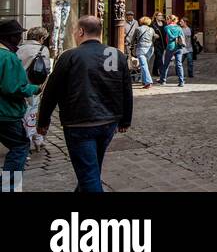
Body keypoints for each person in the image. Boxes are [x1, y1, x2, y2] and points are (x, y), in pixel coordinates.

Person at [36, 15, 132, 192]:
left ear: (81, 31)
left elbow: (51, 92)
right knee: (91, 169)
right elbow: (126, 89)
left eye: (75, 31)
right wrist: (125, 119)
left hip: (80, 122)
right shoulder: (116, 54)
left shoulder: (70, 56)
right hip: (108, 121)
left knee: (88, 174)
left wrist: (43, 121)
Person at [0, 19, 40, 177]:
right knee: (20, 146)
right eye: (18, 35)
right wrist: (35, 88)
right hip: (5, 113)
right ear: (9, 37)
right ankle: (10, 186)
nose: (20, 39)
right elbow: (13, 87)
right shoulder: (7, 57)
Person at [18, 27, 51, 153]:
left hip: (20, 85)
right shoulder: (43, 49)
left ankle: (36, 138)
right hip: (34, 86)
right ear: (41, 38)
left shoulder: (19, 48)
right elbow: (46, 70)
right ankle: (31, 141)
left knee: (22, 113)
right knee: (32, 113)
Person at [160, 14, 186, 87]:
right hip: (179, 47)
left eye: (167, 19)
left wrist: (174, 37)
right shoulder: (179, 28)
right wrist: (177, 36)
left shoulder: (167, 27)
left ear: (170, 20)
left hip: (171, 47)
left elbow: (170, 37)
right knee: (179, 64)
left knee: (166, 64)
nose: (166, 20)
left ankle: (163, 80)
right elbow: (182, 36)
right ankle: (181, 81)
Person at [134, 17, 155, 88]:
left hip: (141, 48)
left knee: (143, 65)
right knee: (145, 65)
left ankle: (148, 82)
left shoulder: (138, 29)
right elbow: (154, 38)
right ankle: (144, 81)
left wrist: (131, 46)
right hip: (150, 48)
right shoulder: (151, 29)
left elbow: (133, 39)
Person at [150, 11, 166, 79]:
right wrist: (154, 35)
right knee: (159, 57)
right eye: (159, 15)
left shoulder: (164, 24)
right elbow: (150, 32)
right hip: (156, 43)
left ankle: (154, 71)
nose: (161, 16)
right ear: (156, 16)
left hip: (163, 43)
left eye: (161, 15)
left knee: (157, 58)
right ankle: (162, 72)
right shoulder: (153, 24)